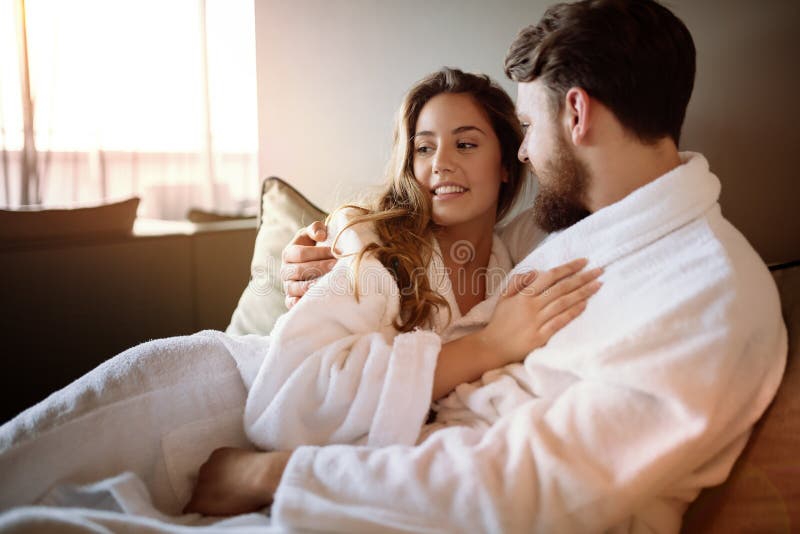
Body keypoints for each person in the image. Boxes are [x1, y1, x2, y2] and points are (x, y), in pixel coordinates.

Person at [185, 0, 787, 532]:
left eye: (525, 128)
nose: (524, 151)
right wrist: (327, 251)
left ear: (576, 114)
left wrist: (278, 476)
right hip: (389, 447)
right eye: (425, 147)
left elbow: (527, 489)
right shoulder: (595, 228)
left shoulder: (709, 298)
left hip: (423, 485)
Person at [239, 67, 602, 454]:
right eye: (424, 148)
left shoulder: (517, 258)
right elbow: (293, 403)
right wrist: (489, 345)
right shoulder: (369, 246)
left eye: (465, 144)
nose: (440, 163)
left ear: (506, 167)